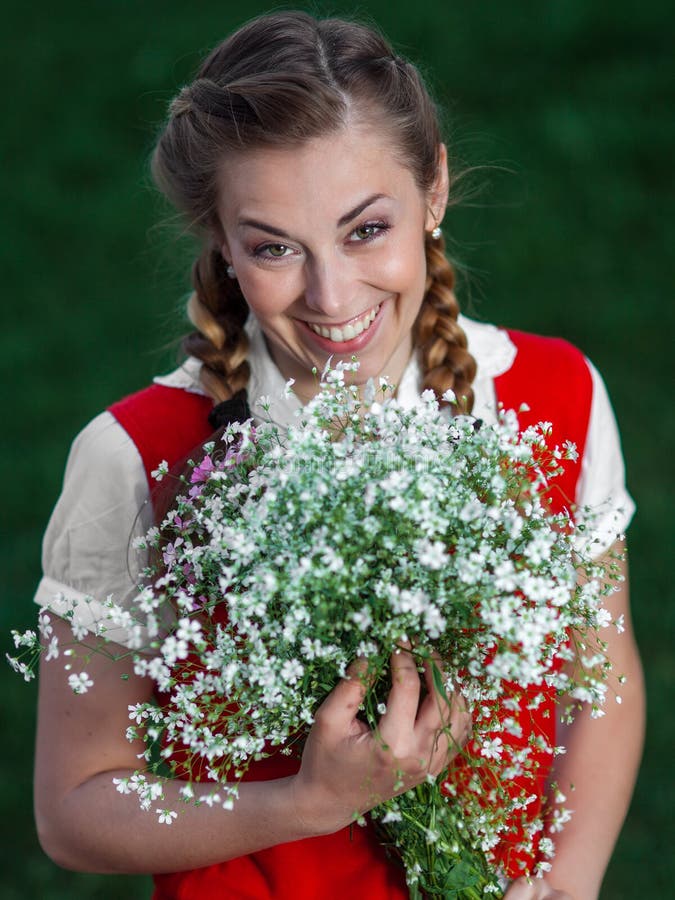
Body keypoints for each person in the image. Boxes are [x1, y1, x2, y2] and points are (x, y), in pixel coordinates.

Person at [32, 11, 644, 900]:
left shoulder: (555, 396)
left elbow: (603, 679)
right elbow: (74, 810)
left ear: (433, 190)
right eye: (273, 247)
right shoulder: (133, 457)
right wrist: (303, 803)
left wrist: (568, 882)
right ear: (222, 244)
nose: (330, 295)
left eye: (365, 230)